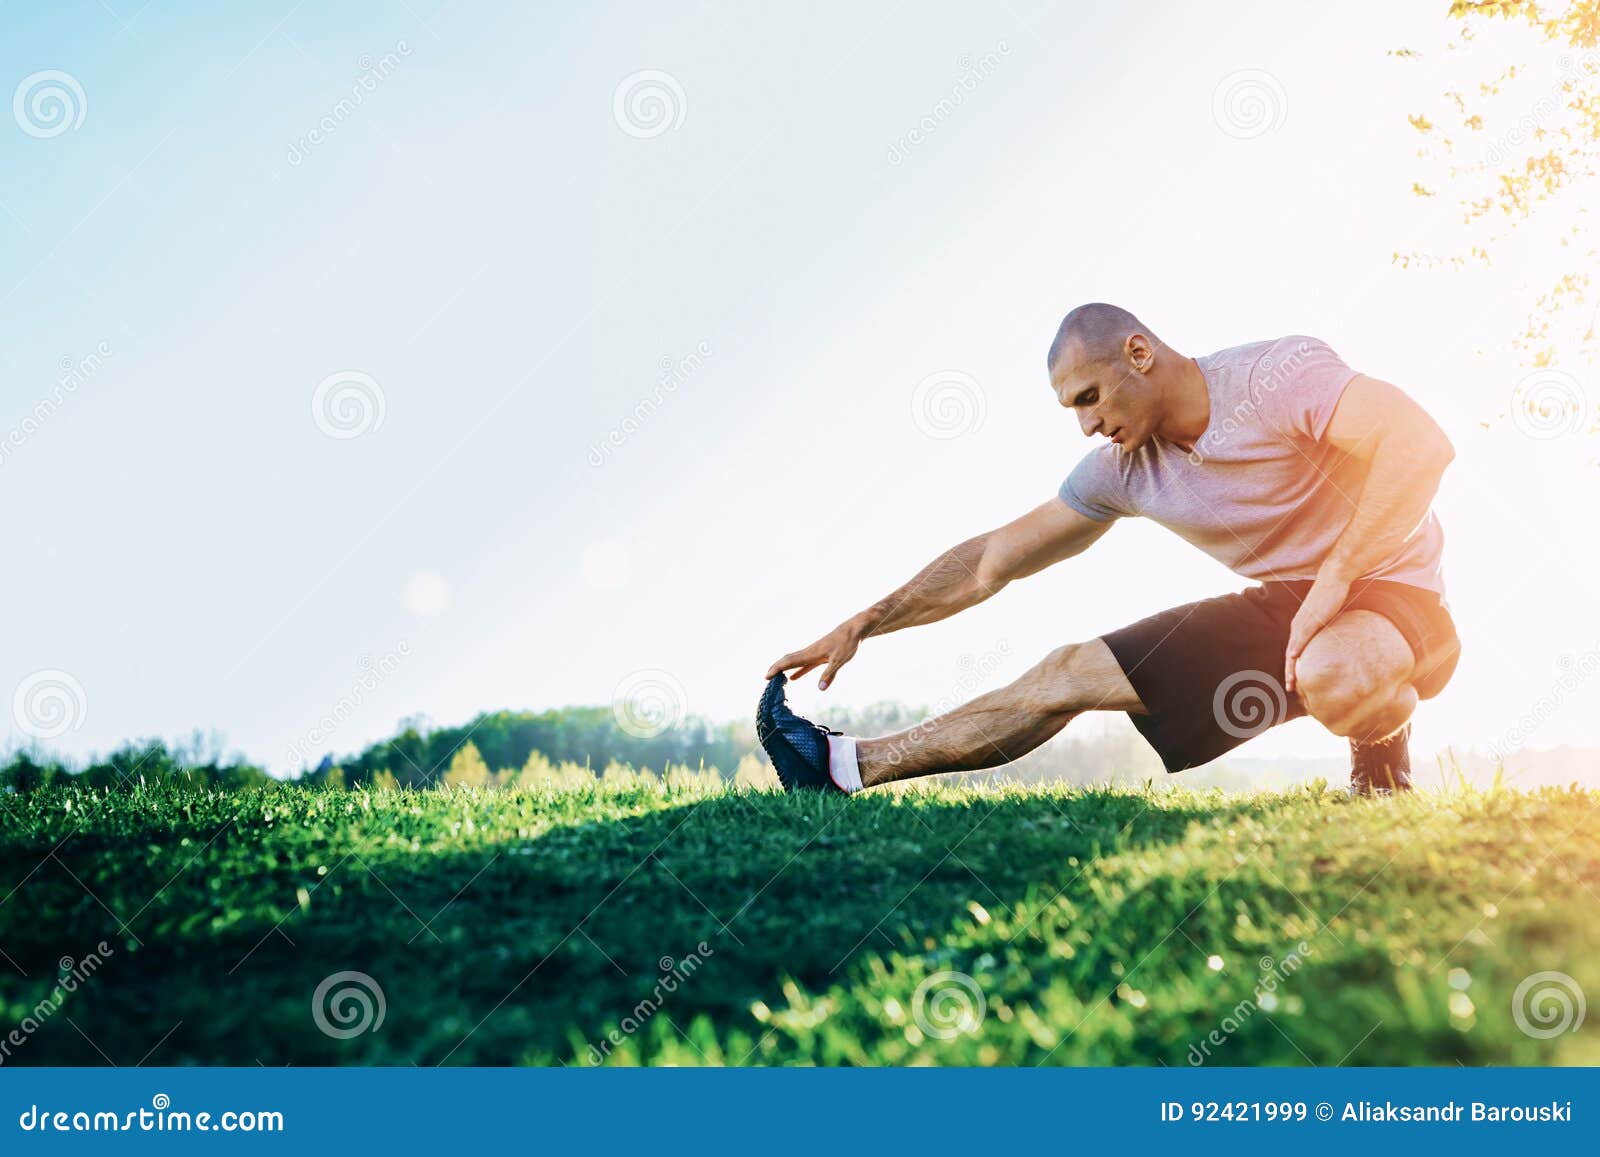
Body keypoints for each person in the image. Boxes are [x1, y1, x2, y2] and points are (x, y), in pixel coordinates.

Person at [758, 303, 1459, 796]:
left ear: (1139, 353)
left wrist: (1336, 579)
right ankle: (842, 767)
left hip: (1394, 584)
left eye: (1090, 397)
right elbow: (989, 562)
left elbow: (1419, 444)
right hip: (1288, 609)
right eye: (1075, 409)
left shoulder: (1275, 376)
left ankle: (1382, 736)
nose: (1088, 424)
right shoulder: (1122, 470)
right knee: (1066, 673)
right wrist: (865, 623)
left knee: (1335, 673)